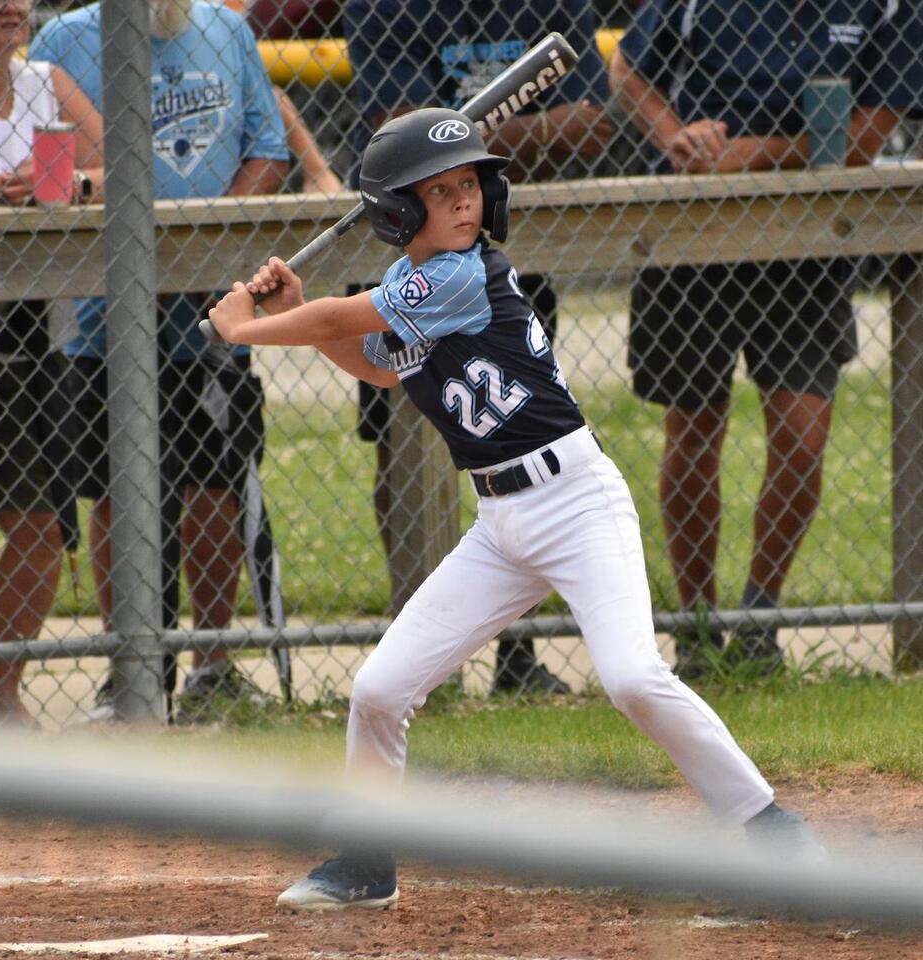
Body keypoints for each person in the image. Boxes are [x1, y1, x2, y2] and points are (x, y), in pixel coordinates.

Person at [207, 107, 825, 910]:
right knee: (380, 690)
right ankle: (367, 862)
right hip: (499, 527)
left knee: (634, 677)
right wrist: (296, 306)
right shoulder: (408, 287)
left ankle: (774, 834)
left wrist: (250, 327)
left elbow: (334, 319)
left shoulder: (462, 275)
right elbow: (379, 366)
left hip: (576, 502)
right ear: (398, 213)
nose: (465, 202)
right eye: (441, 192)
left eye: (470, 185)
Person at [609, 0, 923, 679]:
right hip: (694, 227)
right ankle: (697, 632)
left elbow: (867, 134)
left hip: (807, 240)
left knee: (803, 437)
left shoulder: (888, 10)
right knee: (692, 430)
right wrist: (676, 139)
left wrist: (756, 156)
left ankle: (759, 620)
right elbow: (627, 66)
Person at [344, 0, 628, 695]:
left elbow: (592, 120)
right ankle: (420, 635)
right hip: (412, 256)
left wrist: (461, 149)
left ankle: (517, 656)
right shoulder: (386, 8)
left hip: (488, 268)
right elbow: (397, 134)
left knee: (516, 427)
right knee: (401, 439)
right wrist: (456, 148)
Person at [30, 0, 290, 721]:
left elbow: (268, 149)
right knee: (115, 486)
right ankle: (131, 671)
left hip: (209, 307)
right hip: (100, 307)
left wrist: (210, 244)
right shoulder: (63, 40)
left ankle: (211, 664)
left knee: (214, 478)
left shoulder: (226, 29)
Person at [0, 0, 103, 726]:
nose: (12, 7)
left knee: (41, 524)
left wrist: (68, 187)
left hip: (28, 336)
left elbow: (119, 168)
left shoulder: (46, 83)